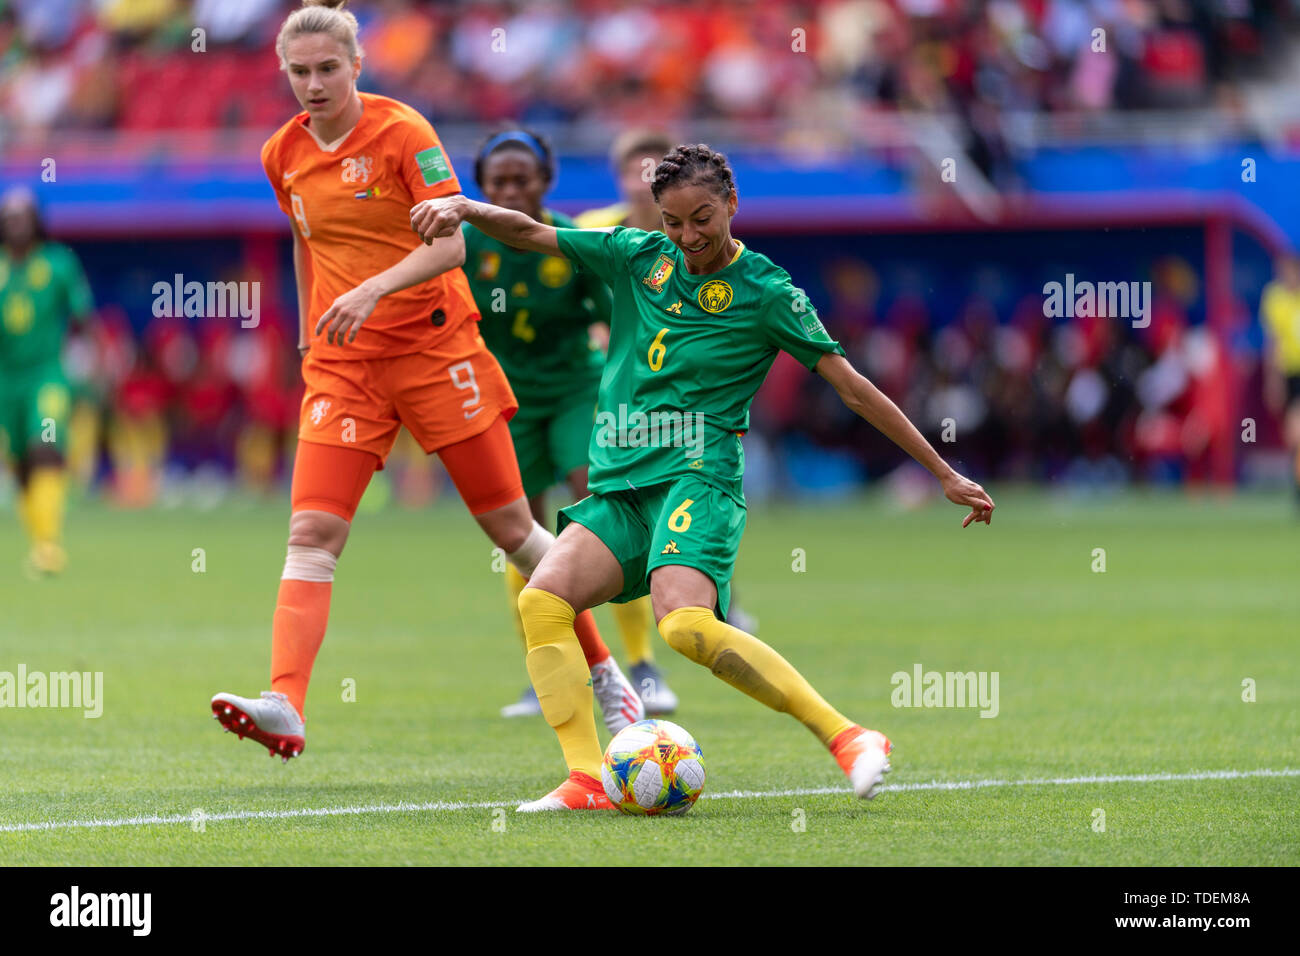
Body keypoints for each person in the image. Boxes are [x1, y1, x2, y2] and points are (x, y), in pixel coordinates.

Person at [412, 144, 995, 811]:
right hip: (621, 488)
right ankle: (584, 779)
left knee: (684, 626)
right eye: (673, 222)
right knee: (541, 601)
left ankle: (852, 737)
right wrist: (465, 207)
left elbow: (854, 390)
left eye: (702, 218)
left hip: (698, 479)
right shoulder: (636, 255)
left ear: (732, 204)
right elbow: (532, 231)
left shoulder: (768, 291)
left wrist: (943, 472)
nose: (688, 237)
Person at [210, 0, 641, 762]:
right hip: (346, 370)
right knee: (311, 535)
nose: (313, 84)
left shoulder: (405, 134)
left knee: (514, 532)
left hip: (439, 355)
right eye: (299, 72)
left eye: (327, 69)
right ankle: (285, 700)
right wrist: (315, 335)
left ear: (356, 65)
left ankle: (606, 673)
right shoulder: (283, 153)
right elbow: (309, 246)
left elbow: (448, 251)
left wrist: (373, 290)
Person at [462, 126, 678, 721]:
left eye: (520, 179)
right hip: (506, 401)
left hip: (576, 392)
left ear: (545, 182)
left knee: (598, 506)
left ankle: (640, 665)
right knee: (522, 534)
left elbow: (621, 322)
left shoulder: (571, 241)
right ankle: (550, 667)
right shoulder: (461, 246)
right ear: (479, 186)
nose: (508, 190)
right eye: (497, 181)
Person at [0, 186, 95, 576]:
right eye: (9, 217)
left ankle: (49, 546)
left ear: (36, 221)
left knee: (47, 445)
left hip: (47, 376)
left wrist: (89, 362)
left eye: (22, 216)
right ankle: (41, 541)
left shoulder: (57, 264)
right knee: (21, 465)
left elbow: (82, 318)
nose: (15, 223)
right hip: (7, 384)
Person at [1261, 251, 1300, 506]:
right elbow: (1272, 344)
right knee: (1293, 437)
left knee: (1297, 431)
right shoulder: (1275, 298)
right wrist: (1272, 380)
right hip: (1289, 373)